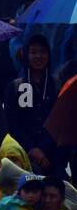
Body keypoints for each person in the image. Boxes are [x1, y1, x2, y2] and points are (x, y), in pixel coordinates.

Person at [6, 36, 63, 176]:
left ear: (49, 55)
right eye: (33, 52)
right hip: (23, 155)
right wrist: (31, 149)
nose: (38, 56)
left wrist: (43, 149)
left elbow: (60, 122)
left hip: (53, 155)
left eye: (43, 52)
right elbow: (12, 123)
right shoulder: (15, 87)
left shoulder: (58, 87)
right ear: (25, 55)